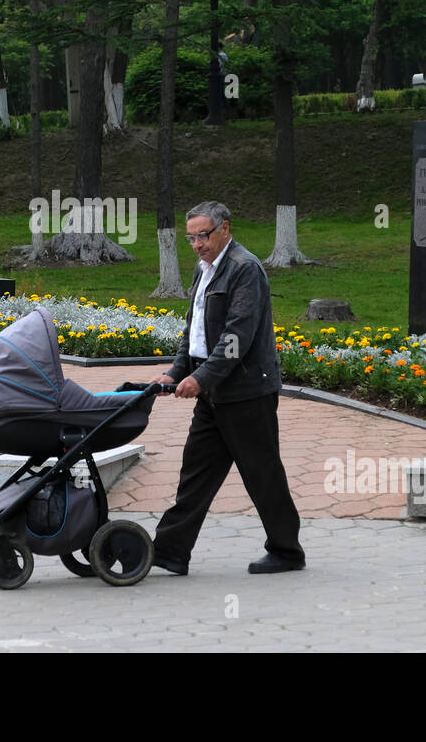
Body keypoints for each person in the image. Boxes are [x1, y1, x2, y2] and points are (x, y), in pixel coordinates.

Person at [150, 201, 306, 575]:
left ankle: (287, 551)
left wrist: (201, 379)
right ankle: (170, 551)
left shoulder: (244, 269)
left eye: (203, 235)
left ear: (224, 229)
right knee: (196, 473)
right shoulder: (204, 270)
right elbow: (195, 330)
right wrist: (175, 372)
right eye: (191, 238)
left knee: (262, 473)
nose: (197, 244)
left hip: (247, 391)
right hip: (214, 392)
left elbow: (238, 336)